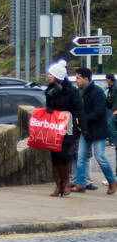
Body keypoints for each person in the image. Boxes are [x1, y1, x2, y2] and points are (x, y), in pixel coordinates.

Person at [71, 67, 116, 193]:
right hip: (85, 130)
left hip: (98, 130)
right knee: (80, 156)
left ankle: (112, 181)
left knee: (100, 157)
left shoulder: (97, 92)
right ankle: (81, 183)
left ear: (86, 78)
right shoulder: (79, 92)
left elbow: (99, 112)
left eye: (78, 78)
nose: (76, 80)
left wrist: (82, 119)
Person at [44, 61, 82, 197]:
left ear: (57, 76)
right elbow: (48, 105)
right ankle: (58, 184)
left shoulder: (71, 91)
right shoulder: (50, 90)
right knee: (54, 154)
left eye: (51, 74)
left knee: (63, 154)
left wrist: (79, 126)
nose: (48, 76)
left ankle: (66, 183)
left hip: (68, 125)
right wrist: (49, 110)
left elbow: (78, 109)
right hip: (54, 125)